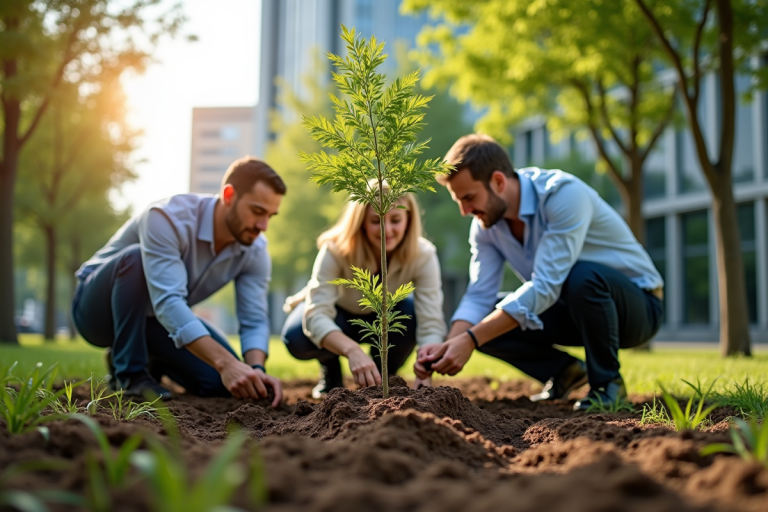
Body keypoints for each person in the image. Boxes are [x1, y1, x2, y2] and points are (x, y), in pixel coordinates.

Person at [414, 134, 664, 411]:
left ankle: (608, 385)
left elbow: (545, 285)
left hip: (636, 309)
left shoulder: (563, 195)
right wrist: (449, 345)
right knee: (484, 319)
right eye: (458, 201)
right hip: (572, 308)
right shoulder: (486, 225)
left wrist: (470, 339)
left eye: (469, 198)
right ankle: (565, 371)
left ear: (498, 181)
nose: (464, 211)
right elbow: (479, 294)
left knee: (581, 276)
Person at [71, 156, 285, 406]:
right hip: (97, 311)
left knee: (223, 383)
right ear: (228, 196)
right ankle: (129, 374)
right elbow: (168, 301)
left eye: (271, 215)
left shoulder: (255, 249)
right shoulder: (167, 217)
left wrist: (255, 368)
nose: (264, 225)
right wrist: (226, 362)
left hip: (158, 320)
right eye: (257, 211)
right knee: (136, 259)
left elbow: (254, 318)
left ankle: (150, 359)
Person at [282, 187, 447, 398]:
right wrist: (352, 351)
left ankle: (383, 376)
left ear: (409, 219)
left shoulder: (423, 254)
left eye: (395, 220)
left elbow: (431, 321)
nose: (387, 229)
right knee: (296, 336)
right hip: (339, 315)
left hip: (386, 319)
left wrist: (426, 369)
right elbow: (316, 315)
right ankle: (330, 369)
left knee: (411, 313)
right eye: (376, 221)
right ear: (360, 222)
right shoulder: (334, 250)